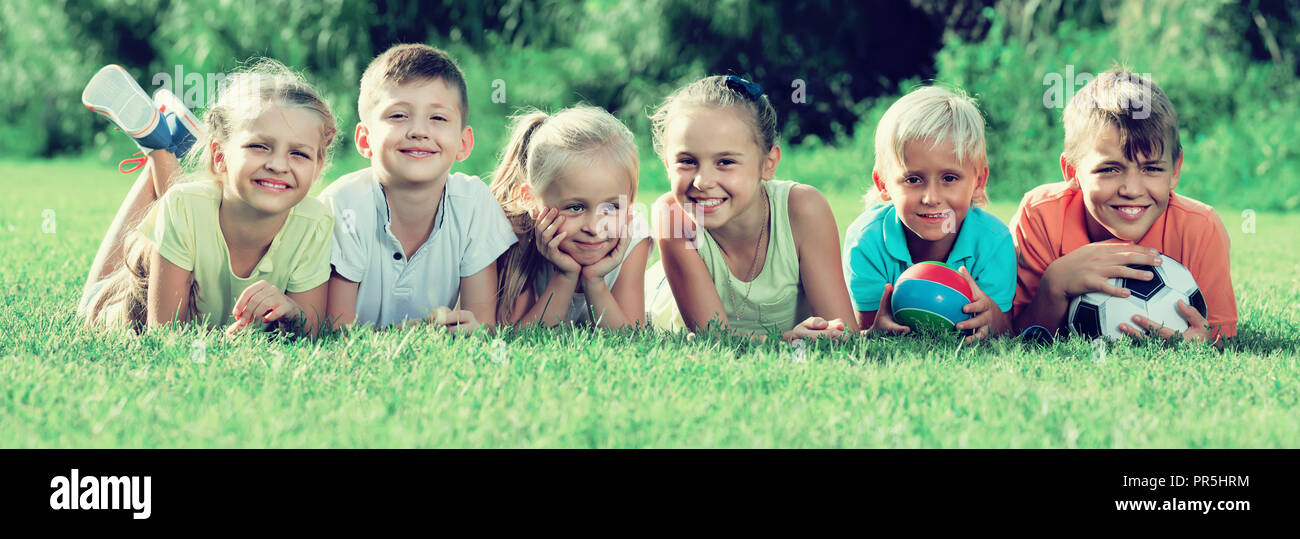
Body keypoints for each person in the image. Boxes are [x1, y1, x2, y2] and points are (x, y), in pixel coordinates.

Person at [80, 60, 337, 335]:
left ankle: (163, 144)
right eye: (259, 146)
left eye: (299, 154)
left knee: (185, 206)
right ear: (219, 156)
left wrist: (291, 312)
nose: (278, 165)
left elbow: (312, 331)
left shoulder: (315, 222)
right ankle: (158, 150)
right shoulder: (184, 206)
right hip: (114, 308)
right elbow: (165, 335)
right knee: (88, 304)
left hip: (186, 210)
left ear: (317, 168)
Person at [1010, 68, 1236, 345]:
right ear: (1071, 171)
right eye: (1109, 169)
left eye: (1151, 168)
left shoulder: (1200, 228)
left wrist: (1203, 341)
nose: (1131, 190)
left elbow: (1222, 337)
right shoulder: (1040, 214)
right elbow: (1015, 334)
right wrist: (1054, 285)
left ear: (1175, 170)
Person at [321, 44, 516, 332]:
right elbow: (335, 332)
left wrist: (464, 329)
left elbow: (481, 326)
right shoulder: (344, 204)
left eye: (438, 118)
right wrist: (412, 333)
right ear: (364, 140)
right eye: (398, 116)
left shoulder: (473, 203)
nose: (419, 131)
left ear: (463, 143)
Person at [646, 75, 857, 341]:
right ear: (667, 165)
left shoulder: (803, 209)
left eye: (725, 162)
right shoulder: (673, 219)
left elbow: (843, 331)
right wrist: (788, 341)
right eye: (687, 161)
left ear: (768, 164)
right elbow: (715, 339)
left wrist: (830, 334)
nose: (702, 181)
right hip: (658, 299)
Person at [842, 86, 1015, 342]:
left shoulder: (993, 241)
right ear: (883, 184)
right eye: (913, 179)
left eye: (949, 178)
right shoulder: (867, 241)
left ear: (979, 181)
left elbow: (1006, 332)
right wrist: (875, 331)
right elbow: (865, 330)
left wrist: (991, 319)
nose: (931, 198)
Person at [489, 105, 652, 328]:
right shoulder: (517, 235)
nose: (595, 228)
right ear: (531, 201)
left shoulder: (633, 239)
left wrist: (594, 281)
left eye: (612, 207)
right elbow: (519, 338)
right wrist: (565, 277)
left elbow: (632, 338)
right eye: (575, 208)